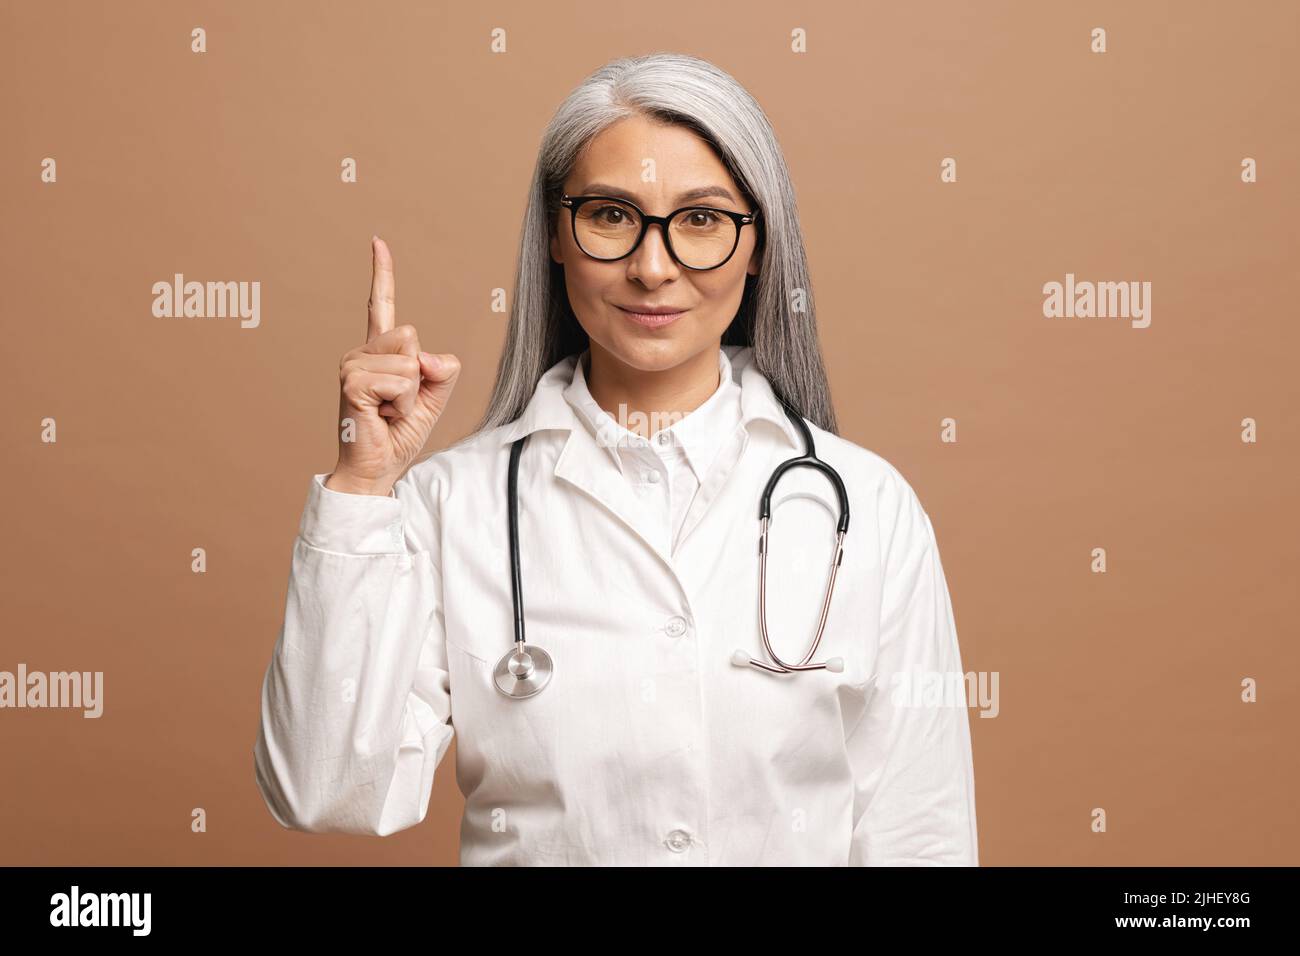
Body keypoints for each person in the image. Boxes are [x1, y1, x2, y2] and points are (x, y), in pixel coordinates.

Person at [253, 52, 978, 866]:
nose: (653, 266)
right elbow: (323, 788)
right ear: (556, 235)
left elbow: (922, 834)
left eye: (701, 220)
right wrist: (361, 486)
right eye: (611, 216)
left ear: (759, 246)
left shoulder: (867, 505)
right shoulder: (449, 504)